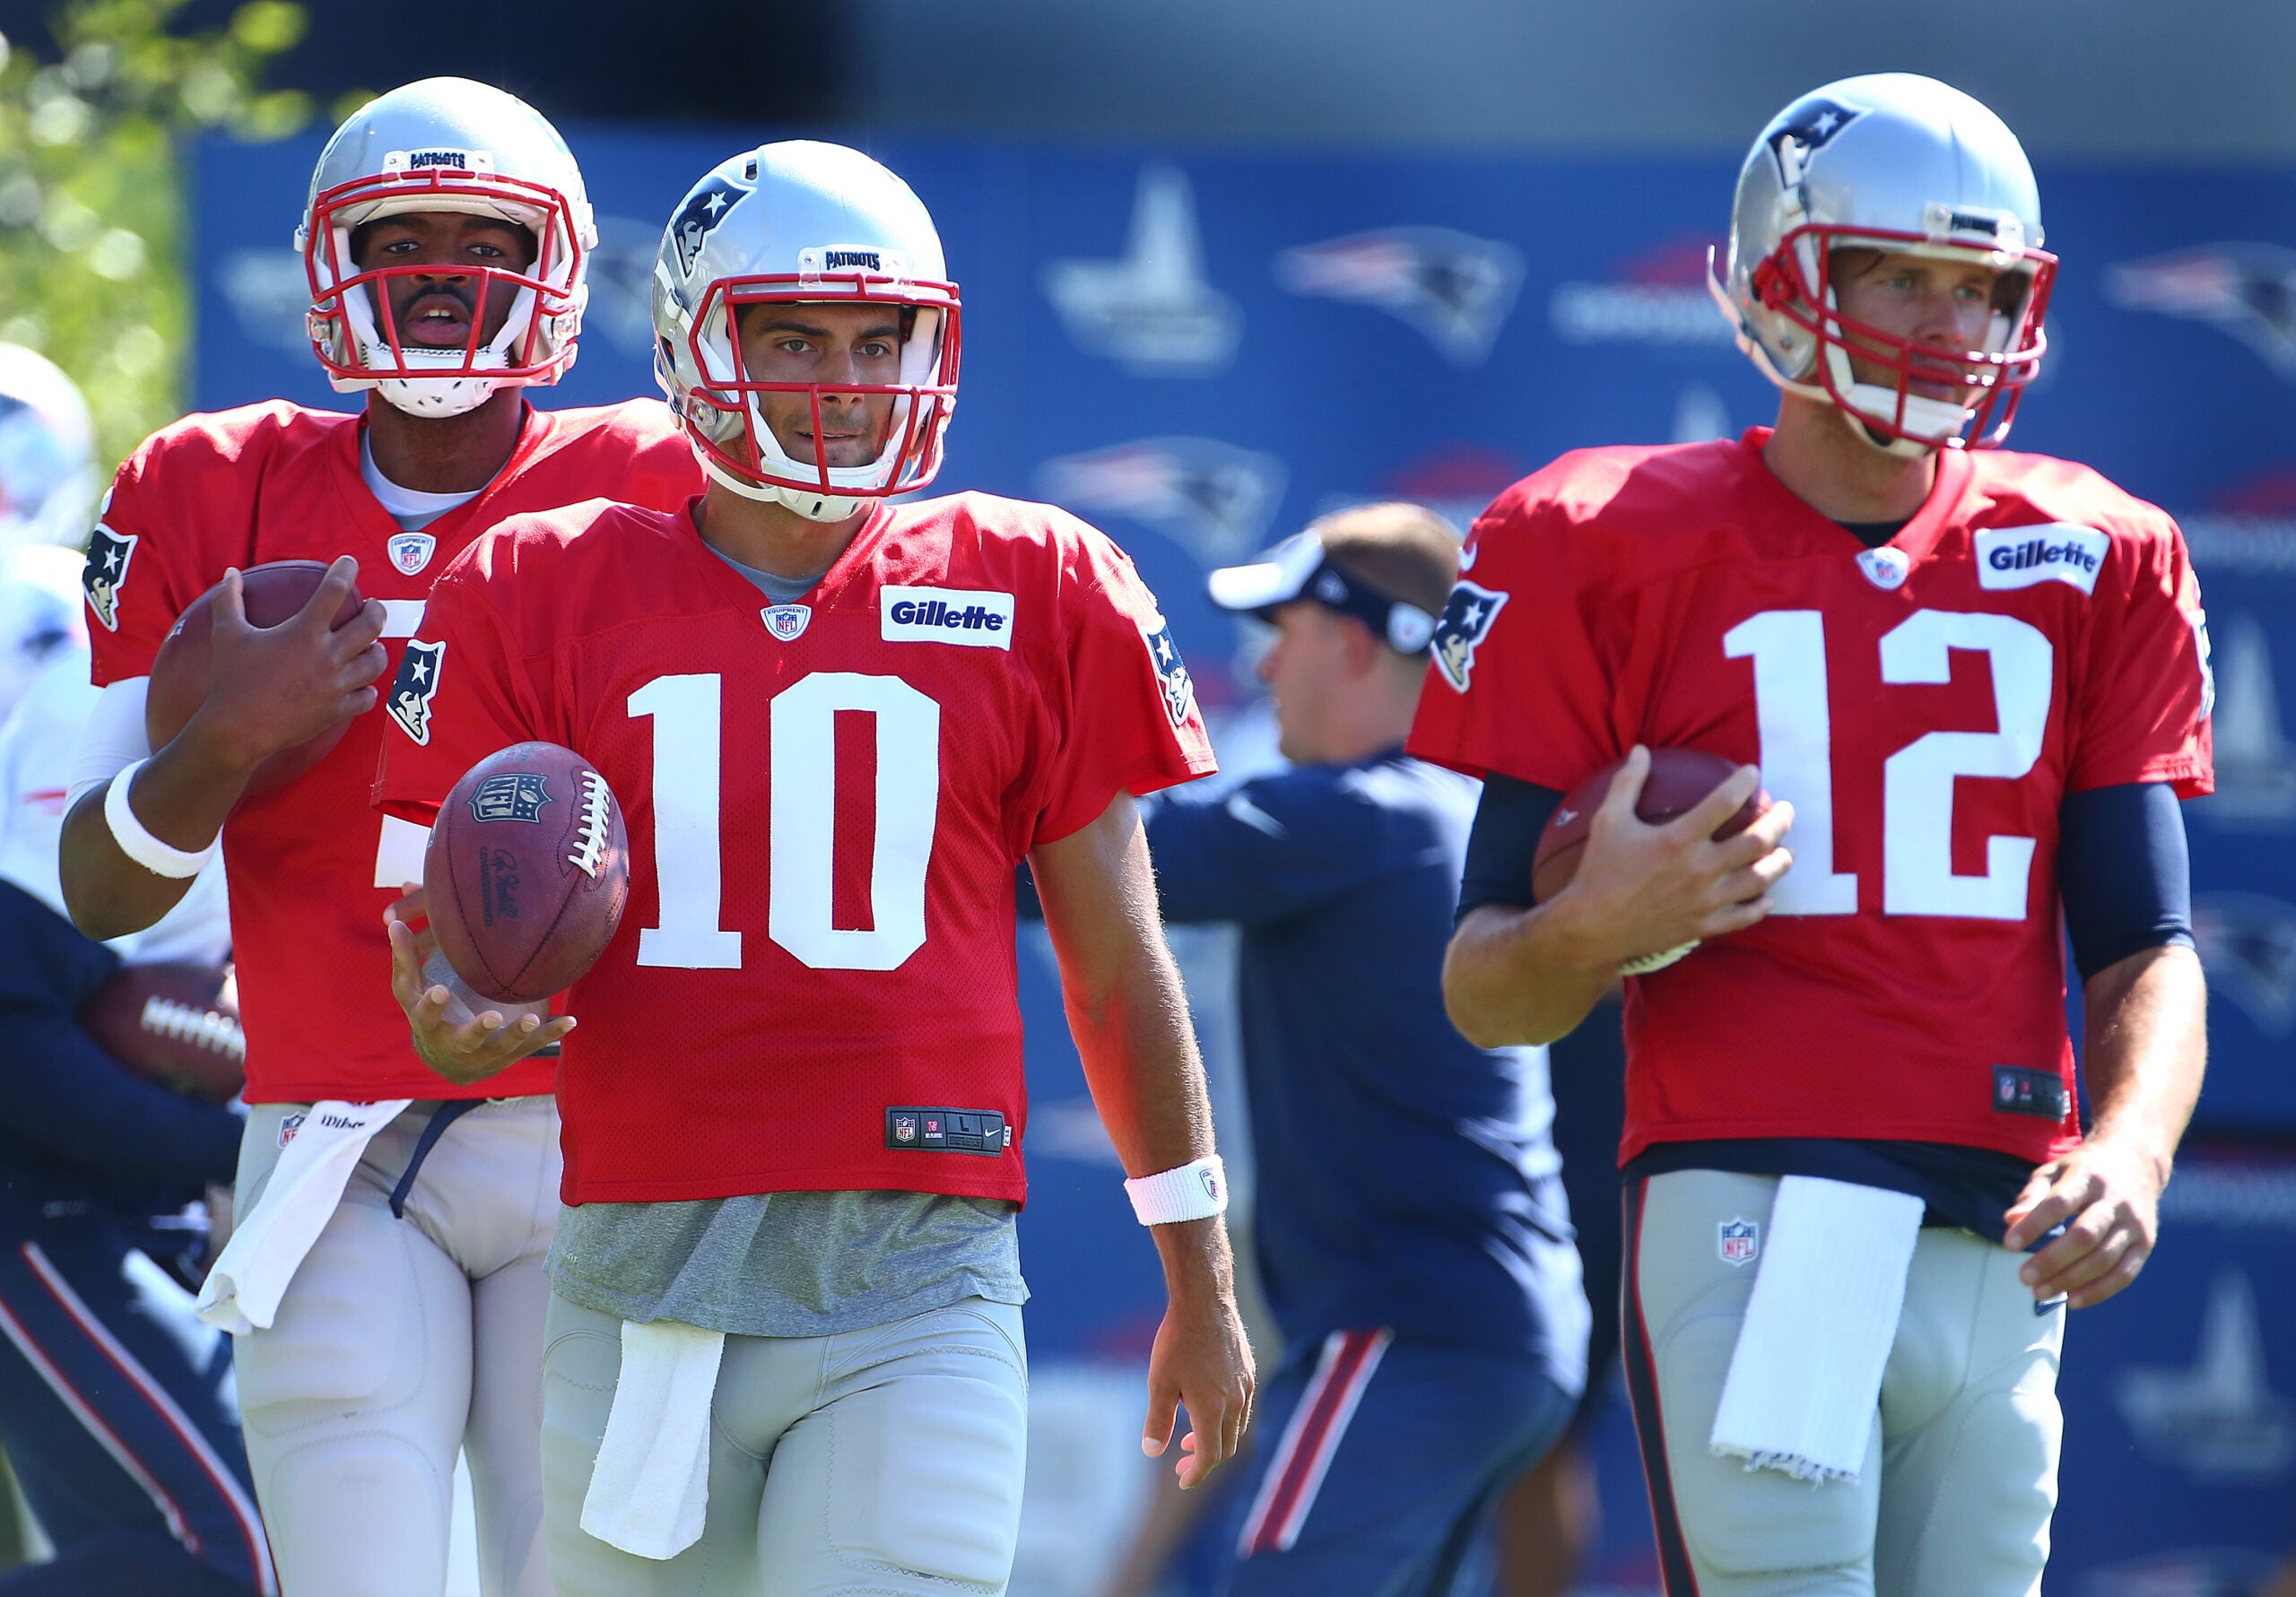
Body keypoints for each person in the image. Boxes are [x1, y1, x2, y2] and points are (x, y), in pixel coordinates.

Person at [373, 139, 1253, 1595]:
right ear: (694, 345)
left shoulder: (1037, 580)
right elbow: (440, 947)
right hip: (635, 1272)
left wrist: (1198, 1271)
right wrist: (454, 1020)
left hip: (916, 1271)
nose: (845, 380)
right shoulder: (534, 584)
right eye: (793, 336)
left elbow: (1116, 966)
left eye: (877, 339)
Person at [1413, 73, 2211, 1597]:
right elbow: (1483, 989)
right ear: (1785, 278)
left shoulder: (2099, 554)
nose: (1946, 323)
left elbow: (2145, 943)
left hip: (2000, 1229)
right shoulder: (1602, 539)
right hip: (1762, 1213)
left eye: (1979, 288)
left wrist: (2132, 1149)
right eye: (1896, 274)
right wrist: (1594, 927)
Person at [56, 79, 699, 1596]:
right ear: (330, 264)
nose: (439, 276)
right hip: (335, 1139)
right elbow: (98, 888)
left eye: (483, 240)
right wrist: (225, 740)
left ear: (556, 265)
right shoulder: (207, 487)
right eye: (399, 239)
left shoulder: (658, 481)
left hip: (607, 1135)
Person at [1127, 503, 1587, 1596]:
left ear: (1351, 641)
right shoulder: (1426, 808)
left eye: (1282, 634)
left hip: (1410, 1328)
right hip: (1474, 1326)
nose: (1264, 667)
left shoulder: (1363, 816)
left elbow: (1084, 865)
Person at [0, 378, 265, 1593]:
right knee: (243, 1552)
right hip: (44, 1201)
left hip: (119, 1198)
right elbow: (20, 1033)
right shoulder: (87, 683)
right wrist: (233, 1140)